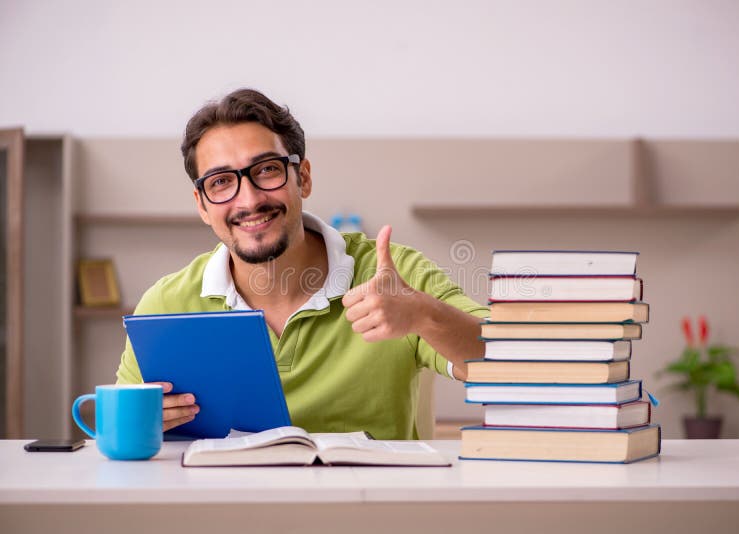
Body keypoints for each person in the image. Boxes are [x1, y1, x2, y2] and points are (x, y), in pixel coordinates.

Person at [115, 88, 487, 439]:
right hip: (227, 506)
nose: (248, 200)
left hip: (366, 506)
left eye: (267, 171)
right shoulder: (167, 305)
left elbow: (512, 367)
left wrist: (424, 315)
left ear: (303, 177)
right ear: (201, 204)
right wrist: (138, 423)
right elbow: (119, 430)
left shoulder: (392, 277)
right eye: (221, 182)